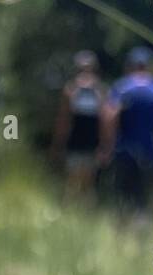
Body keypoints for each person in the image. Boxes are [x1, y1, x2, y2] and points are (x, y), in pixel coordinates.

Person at [101, 47, 153, 218]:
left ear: (130, 66)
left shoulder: (121, 87)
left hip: (124, 150)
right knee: (143, 197)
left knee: (122, 197)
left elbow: (109, 116)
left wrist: (108, 145)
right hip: (150, 152)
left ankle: (121, 233)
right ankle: (140, 235)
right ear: (149, 66)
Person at [53, 51, 106, 198]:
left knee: (73, 180)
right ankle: (83, 213)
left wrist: (58, 142)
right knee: (87, 183)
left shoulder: (71, 89)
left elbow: (63, 119)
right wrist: (104, 143)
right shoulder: (99, 91)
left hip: (77, 140)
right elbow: (104, 120)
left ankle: (75, 212)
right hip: (89, 140)